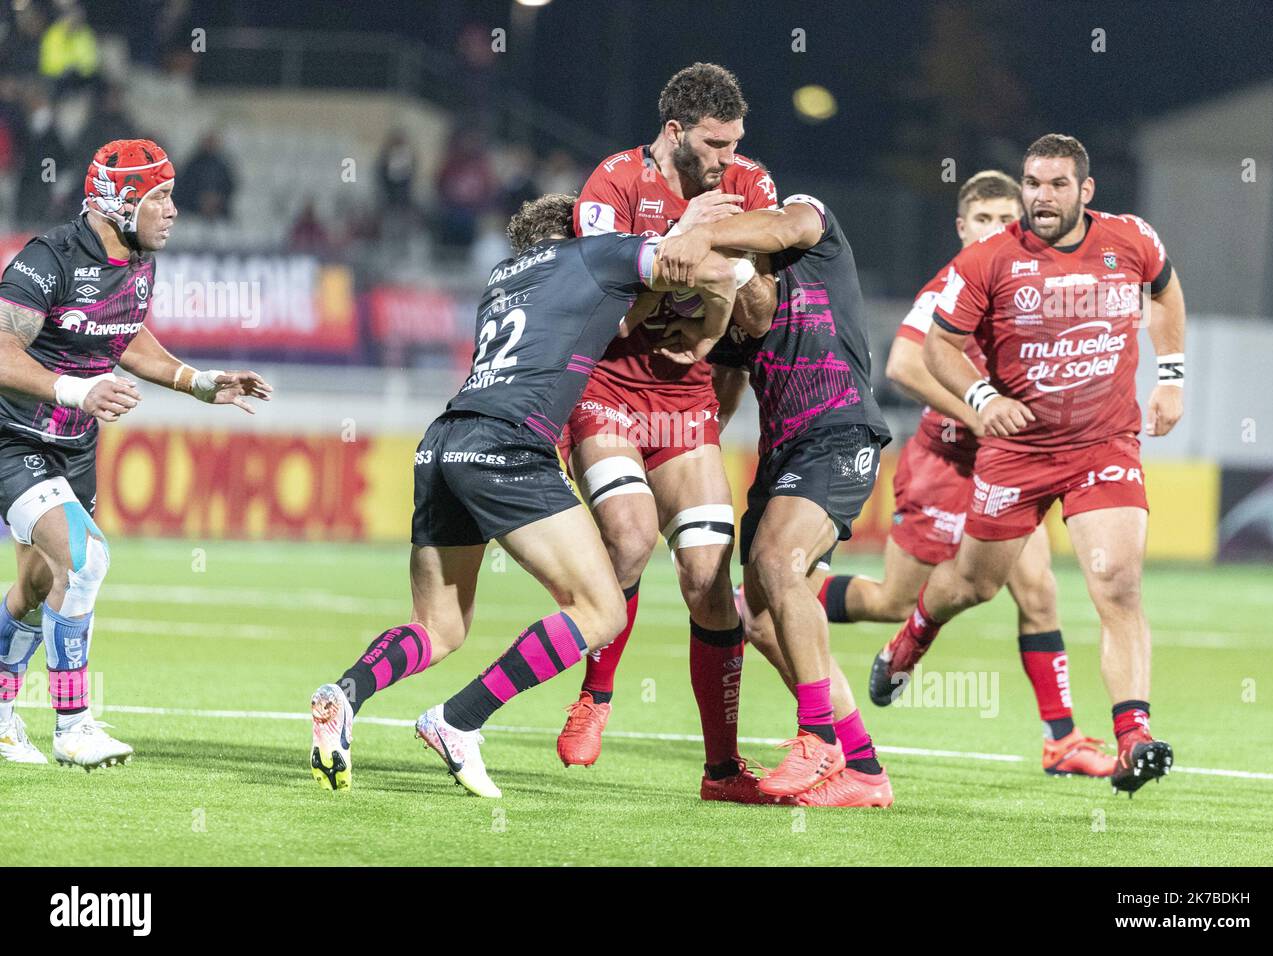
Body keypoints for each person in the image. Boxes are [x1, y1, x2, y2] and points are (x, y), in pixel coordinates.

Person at [307, 193, 739, 797]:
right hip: (508, 444)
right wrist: (696, 248)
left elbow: (605, 320)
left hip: (442, 441)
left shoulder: (502, 279)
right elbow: (709, 270)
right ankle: (457, 721)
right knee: (602, 610)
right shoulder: (590, 256)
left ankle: (344, 695)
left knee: (438, 627)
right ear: (580, 230)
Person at [873, 134, 1185, 796]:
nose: (1042, 197)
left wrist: (1173, 376)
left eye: (1056, 184)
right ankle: (914, 636)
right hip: (1016, 454)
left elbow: (1164, 289)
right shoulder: (990, 259)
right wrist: (983, 398)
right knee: (974, 587)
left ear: (1085, 190)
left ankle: (1134, 736)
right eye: (1034, 184)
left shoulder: (1129, 239)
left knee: (1117, 581)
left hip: (1103, 444)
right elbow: (936, 346)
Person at [785, 170, 1115, 778]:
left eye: (1003, 220)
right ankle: (778, 596)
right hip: (949, 463)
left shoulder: (1032, 279)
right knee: (893, 600)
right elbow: (904, 365)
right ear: (962, 228)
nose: (994, 231)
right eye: (981, 220)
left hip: (1012, 467)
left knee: (1039, 592)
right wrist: (980, 414)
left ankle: (1062, 740)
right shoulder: (952, 284)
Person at [0, 139, 272, 766]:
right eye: (159, 197)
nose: (172, 210)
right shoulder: (47, 261)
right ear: (117, 203)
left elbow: (122, 329)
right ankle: (73, 726)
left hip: (75, 445)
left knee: (41, 586)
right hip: (14, 437)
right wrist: (77, 387)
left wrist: (197, 383)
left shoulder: (138, 259)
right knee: (88, 559)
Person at [556, 63, 781, 805]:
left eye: (736, 142)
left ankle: (722, 770)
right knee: (627, 538)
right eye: (716, 144)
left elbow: (760, 319)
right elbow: (594, 300)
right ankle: (596, 694)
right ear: (676, 132)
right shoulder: (614, 183)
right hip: (609, 387)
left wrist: (735, 261)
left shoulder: (749, 187)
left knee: (710, 581)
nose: (728, 159)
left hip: (686, 401)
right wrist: (681, 241)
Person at [657, 193, 893, 805]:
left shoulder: (809, 231)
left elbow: (785, 223)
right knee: (758, 615)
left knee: (776, 561)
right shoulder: (735, 315)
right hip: (783, 456)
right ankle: (863, 769)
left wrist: (697, 234)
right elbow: (725, 389)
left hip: (840, 431)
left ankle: (818, 737)